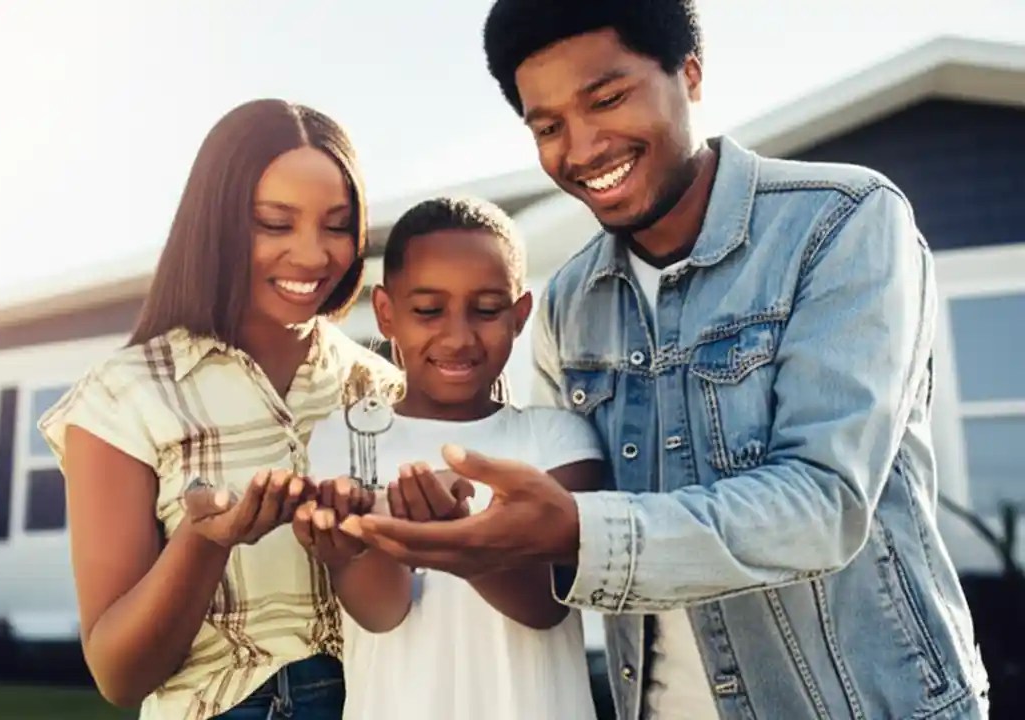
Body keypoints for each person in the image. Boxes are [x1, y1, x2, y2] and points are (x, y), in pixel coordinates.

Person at [340, 2, 991, 718]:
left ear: (690, 73)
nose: (582, 148)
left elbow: (824, 504)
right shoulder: (569, 303)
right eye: (548, 126)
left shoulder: (841, 222)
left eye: (608, 98)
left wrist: (578, 531)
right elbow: (556, 525)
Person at [37, 98, 396, 720]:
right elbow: (119, 675)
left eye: (336, 225)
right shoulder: (125, 397)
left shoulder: (381, 388)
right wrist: (205, 542)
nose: (313, 256)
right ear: (217, 223)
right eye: (275, 223)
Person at [293, 196, 603, 720]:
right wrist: (355, 551)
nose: (458, 337)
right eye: (429, 310)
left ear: (520, 314)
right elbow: (381, 613)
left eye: (485, 310)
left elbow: (547, 607)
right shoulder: (343, 440)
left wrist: (456, 537)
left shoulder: (562, 442)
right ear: (387, 313)